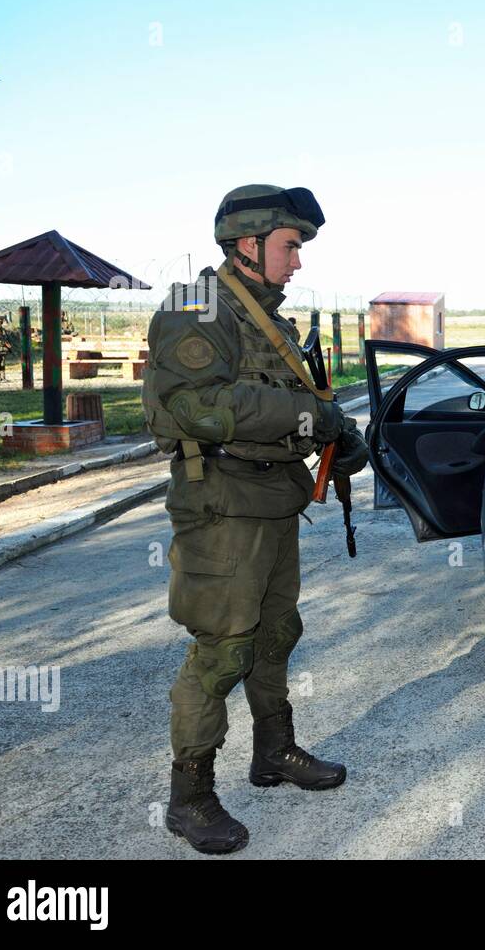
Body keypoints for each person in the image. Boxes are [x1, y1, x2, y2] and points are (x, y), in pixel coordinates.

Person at [142, 184, 369, 854]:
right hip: (222, 506)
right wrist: (309, 417)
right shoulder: (196, 306)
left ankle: (275, 751)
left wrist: (334, 433)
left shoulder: (273, 322)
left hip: (275, 499)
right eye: (289, 246)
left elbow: (291, 404)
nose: (297, 261)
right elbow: (197, 404)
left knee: (276, 634)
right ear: (248, 243)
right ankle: (189, 796)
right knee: (222, 649)